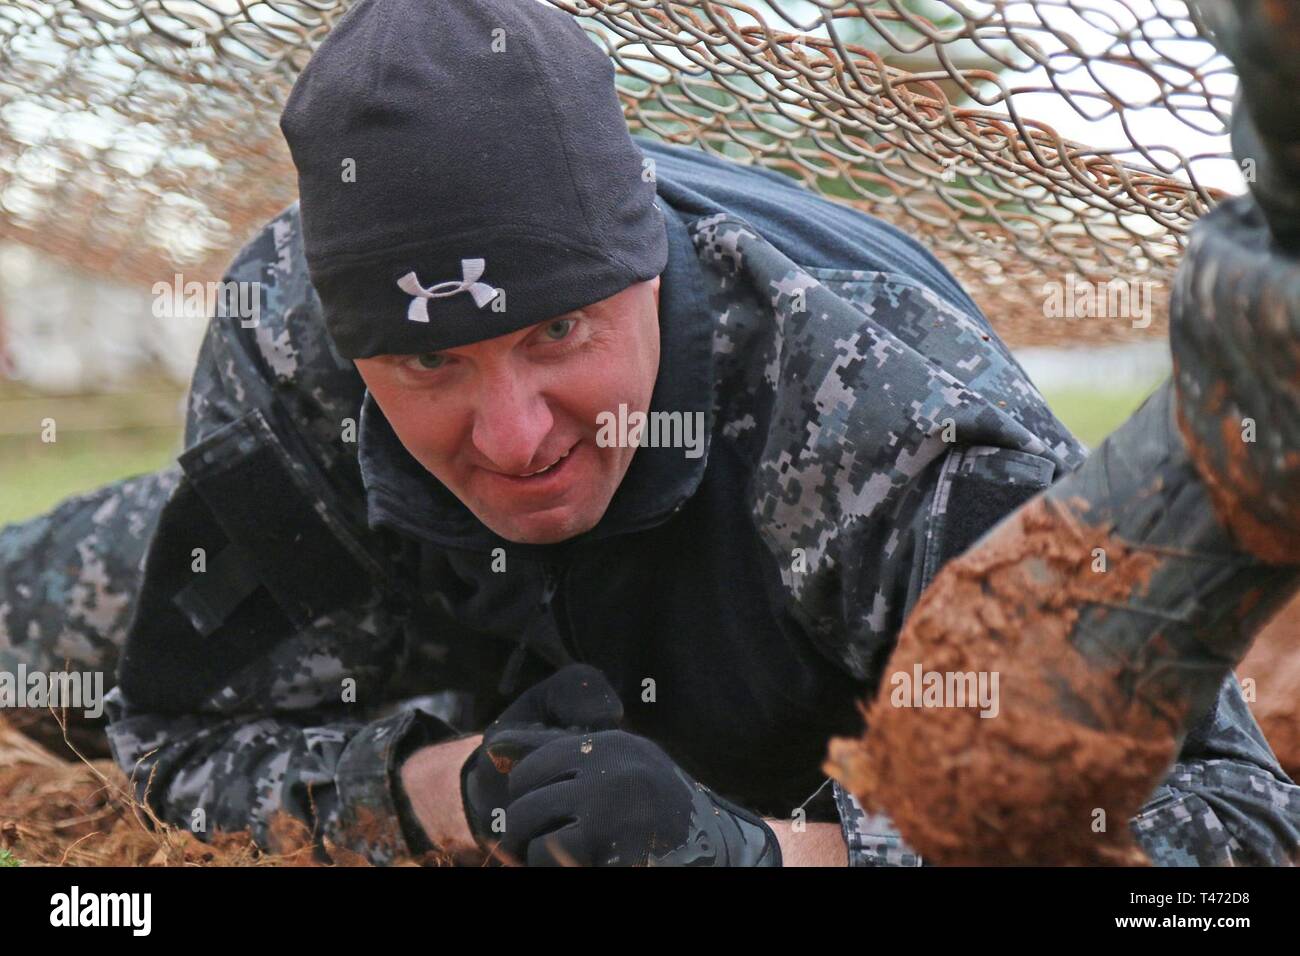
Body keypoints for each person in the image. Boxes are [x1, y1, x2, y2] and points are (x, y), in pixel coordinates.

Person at [4, 0, 1297, 866]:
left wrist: (768, 855)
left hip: (796, 691)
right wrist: (459, 788)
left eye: (561, 333)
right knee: (30, 639)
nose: (514, 436)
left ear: (651, 270)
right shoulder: (292, 343)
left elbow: (1238, 827)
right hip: (424, 622)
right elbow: (182, 745)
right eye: (430, 361)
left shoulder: (889, 419)